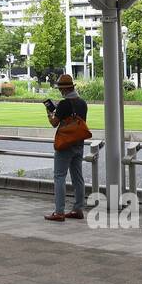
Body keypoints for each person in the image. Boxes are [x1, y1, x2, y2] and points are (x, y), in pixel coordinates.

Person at [45, 73, 88, 222]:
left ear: (63, 90)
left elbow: (54, 123)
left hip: (65, 144)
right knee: (78, 177)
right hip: (79, 143)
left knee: (59, 177)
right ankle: (78, 209)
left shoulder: (63, 104)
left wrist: (50, 113)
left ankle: (59, 211)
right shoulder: (82, 103)